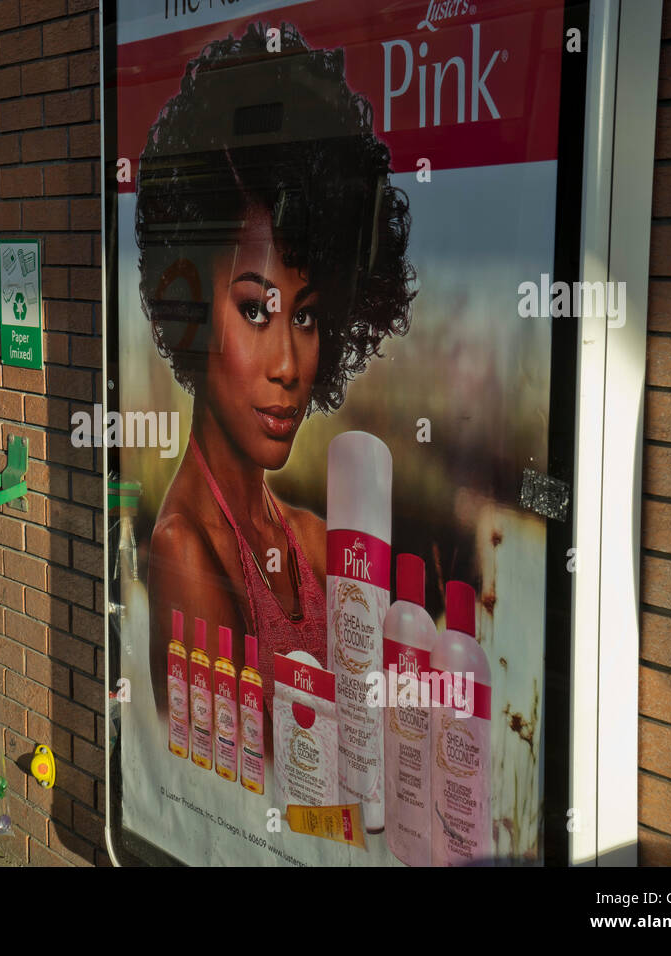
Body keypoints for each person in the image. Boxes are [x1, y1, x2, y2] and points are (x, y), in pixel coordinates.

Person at [138, 23, 416, 717]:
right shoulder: (186, 553)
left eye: (308, 315)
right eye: (256, 310)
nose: (289, 365)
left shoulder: (314, 541)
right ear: (192, 306)